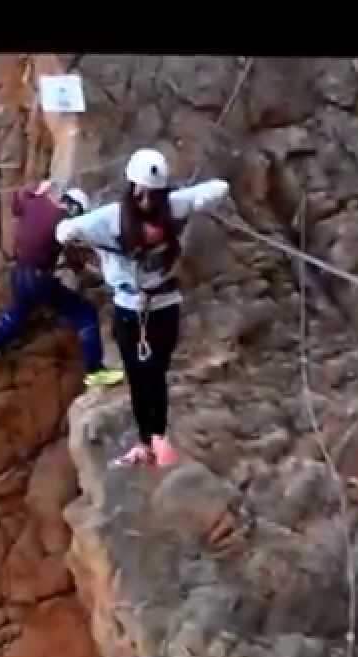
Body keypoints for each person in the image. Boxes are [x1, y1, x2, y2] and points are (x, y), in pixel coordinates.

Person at [55, 149, 229, 467]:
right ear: (131, 188)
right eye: (140, 191)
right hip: (129, 307)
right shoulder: (110, 219)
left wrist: (194, 202)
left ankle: (156, 437)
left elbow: (219, 188)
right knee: (137, 376)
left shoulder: (172, 208)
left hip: (162, 306)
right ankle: (148, 440)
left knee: (154, 373)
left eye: (152, 193)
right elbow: (65, 232)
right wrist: (90, 235)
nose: (144, 198)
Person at [0, 180, 124, 389]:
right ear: (75, 208)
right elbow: (75, 258)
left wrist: (37, 190)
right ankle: (94, 370)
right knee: (85, 314)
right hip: (38, 279)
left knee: (15, 316)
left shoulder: (36, 203)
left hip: (19, 272)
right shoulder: (63, 223)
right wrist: (92, 276)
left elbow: (18, 203)